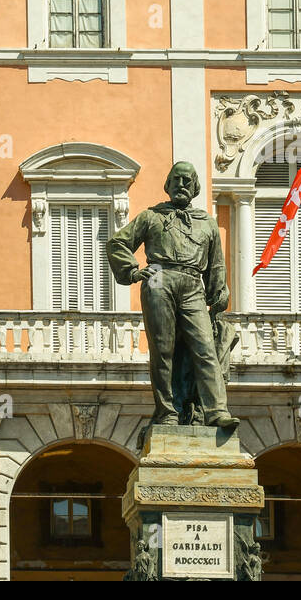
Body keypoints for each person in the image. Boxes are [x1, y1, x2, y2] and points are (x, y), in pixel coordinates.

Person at [107, 161, 240, 430]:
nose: (181, 184)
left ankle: (215, 411)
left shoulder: (208, 224)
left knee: (204, 348)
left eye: (187, 180)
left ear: (195, 187)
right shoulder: (150, 217)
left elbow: (215, 265)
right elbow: (117, 242)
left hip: (193, 282)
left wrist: (218, 294)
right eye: (176, 179)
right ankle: (167, 411)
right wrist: (133, 272)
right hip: (158, 276)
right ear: (167, 185)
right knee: (163, 349)